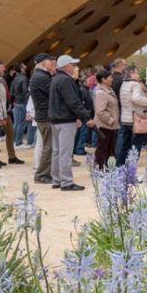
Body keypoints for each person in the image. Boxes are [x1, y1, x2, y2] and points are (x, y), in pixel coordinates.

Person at [49, 55, 92, 191]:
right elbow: (73, 101)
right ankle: (66, 182)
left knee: (57, 151)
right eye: (72, 65)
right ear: (66, 66)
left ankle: (57, 179)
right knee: (65, 153)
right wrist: (86, 116)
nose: (74, 67)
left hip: (56, 119)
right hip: (65, 120)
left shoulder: (56, 79)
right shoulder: (66, 80)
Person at [116, 66, 147, 165]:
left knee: (124, 145)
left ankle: (120, 167)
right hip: (135, 119)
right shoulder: (135, 84)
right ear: (132, 73)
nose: (138, 75)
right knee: (135, 146)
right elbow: (136, 98)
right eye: (137, 72)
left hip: (125, 118)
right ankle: (131, 170)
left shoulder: (124, 84)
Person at [29, 53, 57, 183]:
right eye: (50, 61)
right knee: (48, 146)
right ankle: (42, 175)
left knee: (47, 145)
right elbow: (56, 92)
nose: (52, 64)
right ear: (43, 63)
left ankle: (45, 173)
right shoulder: (41, 77)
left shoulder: (42, 76)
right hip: (45, 116)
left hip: (44, 115)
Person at [92, 69, 120, 168]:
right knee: (102, 148)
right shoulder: (101, 93)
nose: (112, 79)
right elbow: (100, 111)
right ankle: (99, 169)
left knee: (110, 148)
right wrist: (110, 120)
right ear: (103, 80)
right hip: (104, 126)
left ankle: (109, 169)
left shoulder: (109, 90)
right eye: (110, 77)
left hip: (111, 126)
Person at [10, 63, 30, 148]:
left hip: (16, 102)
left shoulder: (15, 78)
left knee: (16, 123)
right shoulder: (24, 78)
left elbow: (12, 92)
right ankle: (18, 142)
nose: (25, 66)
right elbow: (25, 92)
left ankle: (14, 141)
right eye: (23, 65)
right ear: (21, 68)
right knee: (22, 123)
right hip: (22, 102)